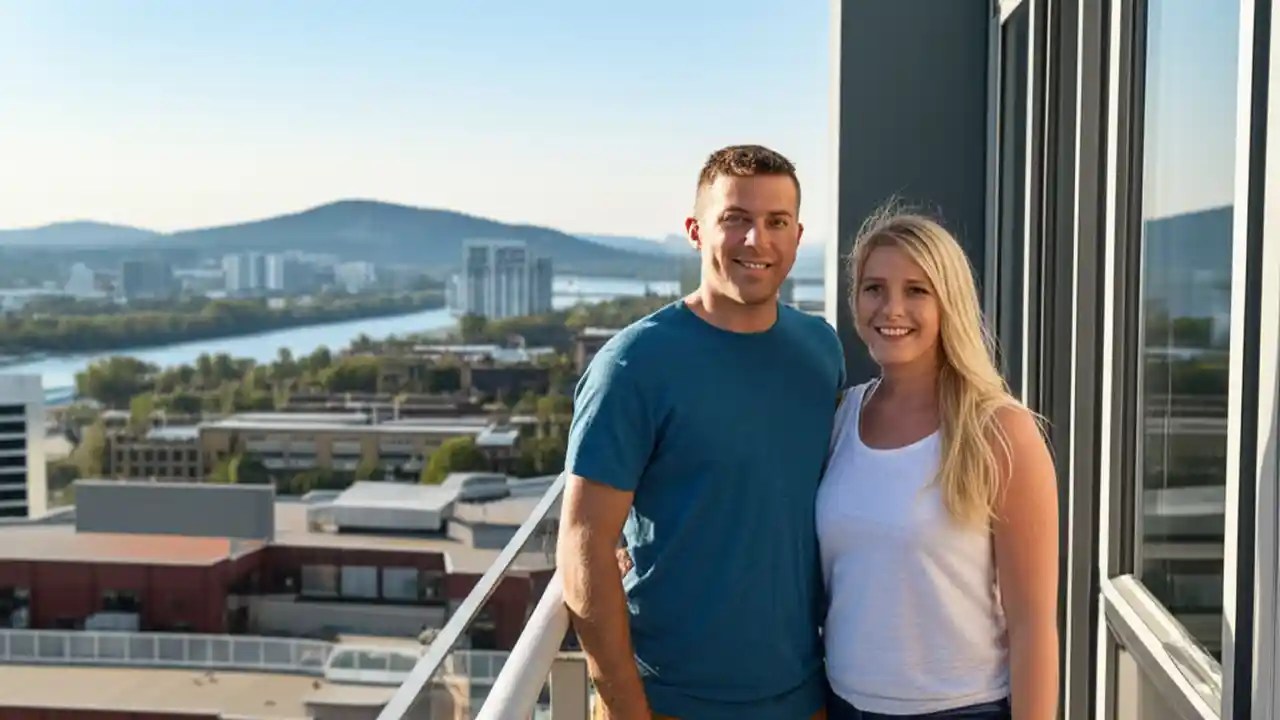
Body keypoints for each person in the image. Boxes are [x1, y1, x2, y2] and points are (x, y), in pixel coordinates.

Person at [557, 144, 845, 720]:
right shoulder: (634, 365)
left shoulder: (822, 350)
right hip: (670, 702)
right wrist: (626, 709)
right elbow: (583, 544)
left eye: (775, 222)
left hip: (806, 697)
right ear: (695, 230)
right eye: (734, 219)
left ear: (796, 235)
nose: (755, 241)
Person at [817, 209, 1059, 720]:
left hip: (960, 710)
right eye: (874, 288)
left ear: (950, 302)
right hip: (842, 705)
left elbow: (1033, 623)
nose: (892, 308)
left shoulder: (1000, 430)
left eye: (917, 290)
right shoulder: (840, 416)